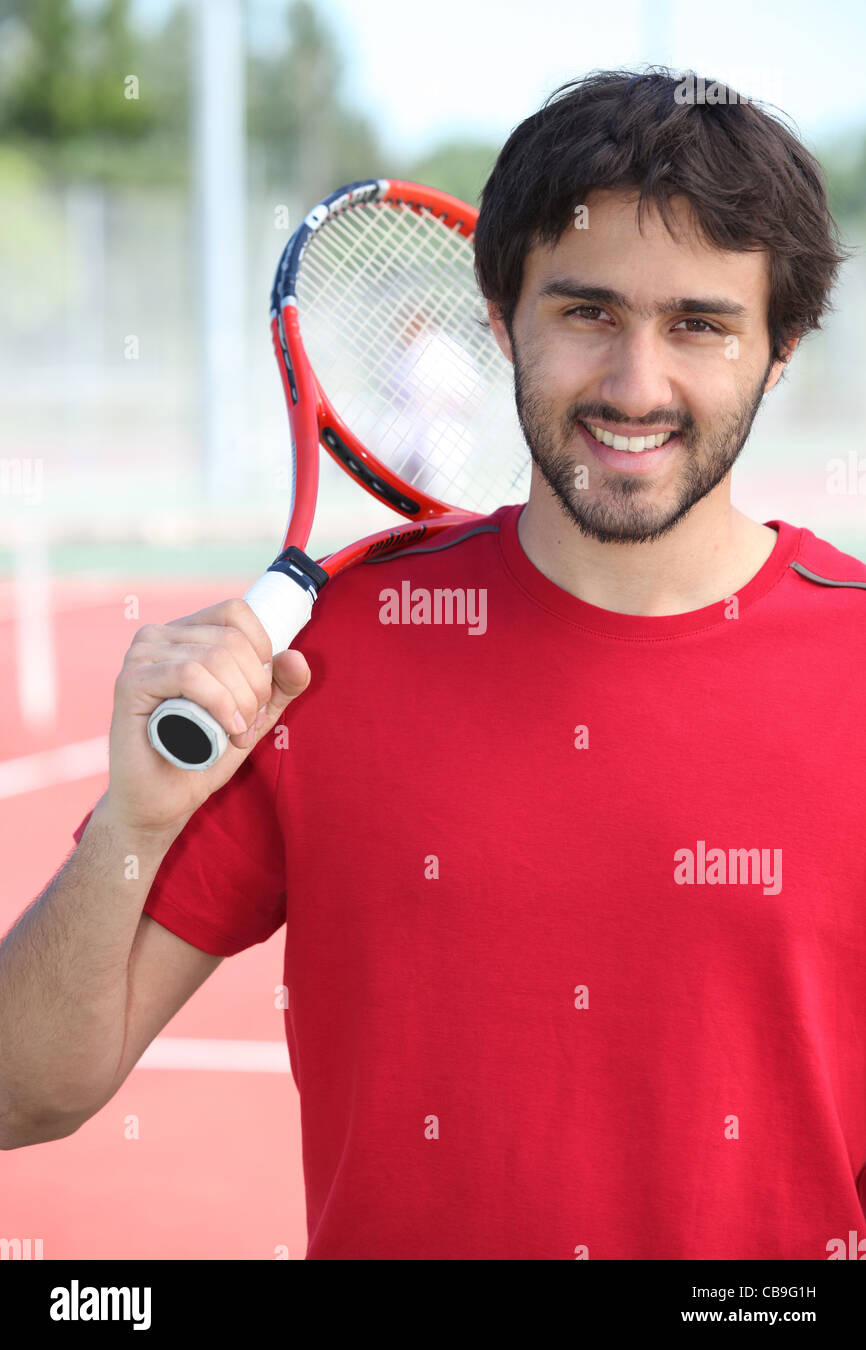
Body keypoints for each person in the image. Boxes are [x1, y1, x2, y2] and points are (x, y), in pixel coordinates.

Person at [2, 68, 864, 1262]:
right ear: (499, 316)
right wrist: (130, 828)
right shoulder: (331, 658)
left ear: (780, 350)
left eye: (699, 326)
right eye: (586, 312)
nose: (634, 384)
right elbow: (23, 1095)